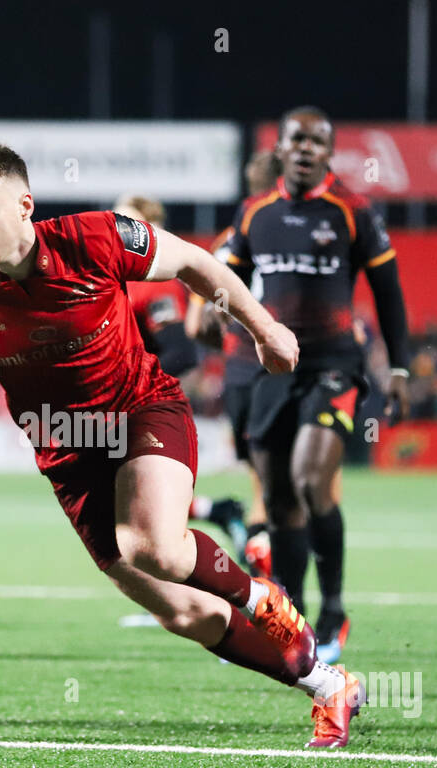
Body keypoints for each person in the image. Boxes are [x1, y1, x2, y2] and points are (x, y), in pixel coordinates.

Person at [0, 142, 366, 747]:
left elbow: (199, 264)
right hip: (67, 454)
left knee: (153, 546)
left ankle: (265, 598)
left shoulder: (97, 238)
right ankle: (328, 686)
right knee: (186, 613)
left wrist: (264, 328)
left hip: (143, 410)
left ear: (25, 205)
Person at [216, 108, 411, 665]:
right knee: (277, 500)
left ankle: (334, 609)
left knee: (309, 478)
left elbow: (389, 291)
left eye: (317, 142)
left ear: (329, 152)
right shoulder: (254, 213)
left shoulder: (352, 212)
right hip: (271, 370)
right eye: (296, 140)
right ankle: (292, 615)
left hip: (334, 367)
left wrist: (397, 368)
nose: (306, 149)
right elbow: (225, 277)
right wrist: (213, 311)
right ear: (280, 149)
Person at [113, 193, 248, 558]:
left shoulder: (155, 282)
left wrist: (126, 386)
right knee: (125, 501)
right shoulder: (118, 279)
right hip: (122, 409)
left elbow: (180, 352)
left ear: (146, 230)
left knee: (139, 509)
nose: (113, 230)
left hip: (147, 408)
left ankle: (203, 598)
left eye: (124, 223)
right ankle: (216, 512)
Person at [187, 149, 284, 580]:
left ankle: (263, 582)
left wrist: (230, 340)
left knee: (261, 477)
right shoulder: (294, 234)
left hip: (239, 372)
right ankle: (277, 594)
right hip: (287, 370)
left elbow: (195, 325)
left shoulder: (224, 242)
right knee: (288, 486)